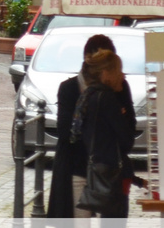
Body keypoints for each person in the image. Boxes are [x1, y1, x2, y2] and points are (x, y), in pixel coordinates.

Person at [47, 34, 133, 218]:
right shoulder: (71, 88)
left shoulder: (119, 88)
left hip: (110, 172)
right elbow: (65, 133)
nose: (121, 74)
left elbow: (129, 132)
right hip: (78, 167)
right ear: (104, 70)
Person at [69, 49, 137, 219]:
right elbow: (127, 141)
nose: (123, 75)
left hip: (97, 170)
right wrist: (123, 116)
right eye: (119, 70)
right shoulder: (108, 99)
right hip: (113, 175)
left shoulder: (88, 96)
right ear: (107, 73)